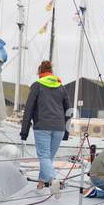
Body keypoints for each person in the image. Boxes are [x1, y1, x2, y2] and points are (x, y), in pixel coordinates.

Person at [20, 60, 71, 190]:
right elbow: (69, 111)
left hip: (42, 126)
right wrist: (66, 132)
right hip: (59, 127)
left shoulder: (37, 85)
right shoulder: (61, 87)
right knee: (48, 158)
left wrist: (24, 132)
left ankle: (54, 180)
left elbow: (29, 109)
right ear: (51, 72)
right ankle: (40, 185)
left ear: (40, 73)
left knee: (44, 156)